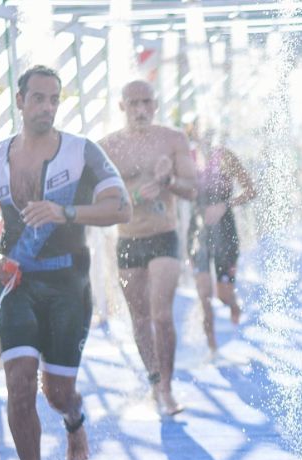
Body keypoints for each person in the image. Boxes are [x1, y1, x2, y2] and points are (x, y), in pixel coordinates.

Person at [0, 65, 129, 460]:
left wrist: (65, 212)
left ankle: (73, 418)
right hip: (15, 283)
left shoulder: (81, 153)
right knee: (18, 385)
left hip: (68, 284)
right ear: (19, 101)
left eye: (54, 99)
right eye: (37, 98)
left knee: (56, 392)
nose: (46, 108)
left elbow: (122, 207)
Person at [99, 80, 197, 415]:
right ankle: (155, 381)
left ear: (155, 105)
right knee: (139, 319)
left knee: (161, 314)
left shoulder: (172, 140)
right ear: (122, 107)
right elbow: (96, 199)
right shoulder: (107, 147)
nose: (141, 110)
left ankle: (167, 388)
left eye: (147, 102)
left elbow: (194, 190)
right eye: (134, 103)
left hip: (164, 236)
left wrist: (169, 181)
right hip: (128, 239)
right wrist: (135, 194)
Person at [184, 119, 256, 356]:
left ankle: (232, 304)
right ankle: (212, 349)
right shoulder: (186, 158)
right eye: (197, 132)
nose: (202, 137)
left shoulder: (225, 156)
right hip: (198, 232)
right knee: (204, 295)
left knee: (223, 294)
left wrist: (225, 205)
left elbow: (250, 190)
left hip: (225, 232)